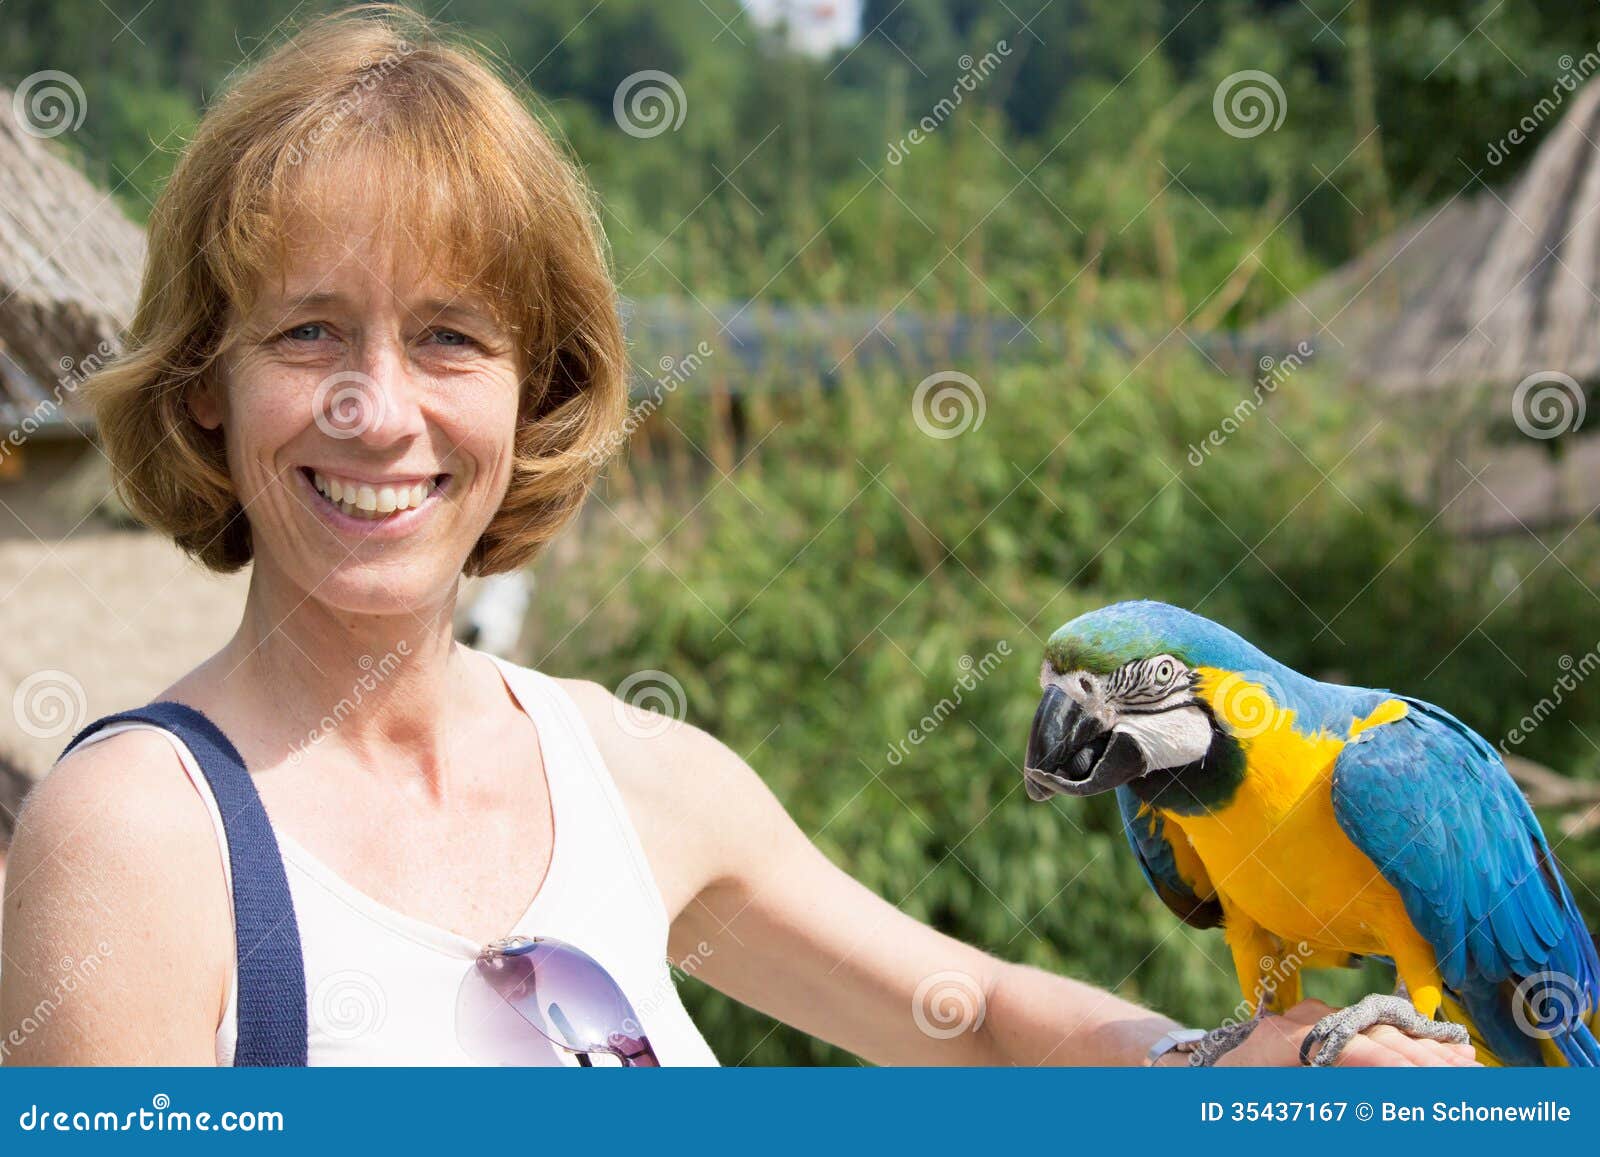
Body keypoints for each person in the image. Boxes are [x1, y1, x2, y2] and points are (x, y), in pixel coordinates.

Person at [0, 5, 1474, 1069]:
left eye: (450, 338)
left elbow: (978, 1026)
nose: (377, 410)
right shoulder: (140, 833)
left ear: (542, 388)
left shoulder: (634, 771)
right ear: (204, 387)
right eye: (309, 329)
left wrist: (1265, 1076)